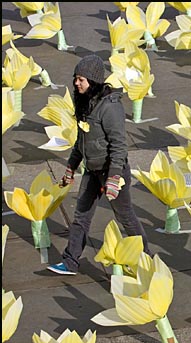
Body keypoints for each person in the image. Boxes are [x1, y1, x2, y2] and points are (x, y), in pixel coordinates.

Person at [48, 54, 151, 275]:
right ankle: (70, 262)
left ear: (93, 81)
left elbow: (119, 146)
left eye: (81, 79)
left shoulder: (110, 108)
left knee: (126, 218)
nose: (76, 83)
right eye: (75, 78)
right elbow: (80, 141)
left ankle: (147, 260)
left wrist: (114, 178)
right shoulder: (85, 103)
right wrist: (70, 168)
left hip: (112, 172)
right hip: (92, 170)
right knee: (81, 217)